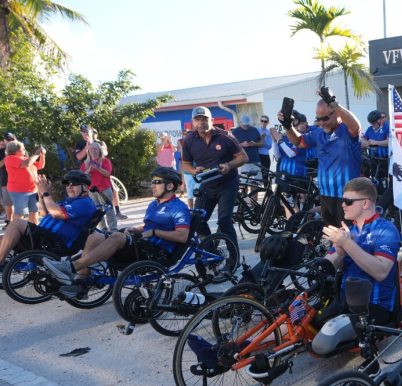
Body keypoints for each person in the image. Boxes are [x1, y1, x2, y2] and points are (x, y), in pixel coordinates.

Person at [43, 167, 190, 298]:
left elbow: (182, 236)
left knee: (117, 237)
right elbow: (148, 226)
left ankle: (72, 267)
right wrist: (137, 228)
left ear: (170, 186)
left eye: (157, 182)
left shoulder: (179, 208)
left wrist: (155, 232)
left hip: (157, 252)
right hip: (143, 244)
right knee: (95, 236)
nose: (152, 185)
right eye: (152, 182)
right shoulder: (154, 204)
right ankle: (81, 282)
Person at [309, 177, 401, 368]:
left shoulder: (386, 230)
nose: (342, 205)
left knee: (321, 344)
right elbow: (330, 262)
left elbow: (381, 272)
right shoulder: (348, 230)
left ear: (366, 203)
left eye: (348, 201)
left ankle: (370, 361)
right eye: (343, 200)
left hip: (373, 305)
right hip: (345, 300)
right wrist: (334, 255)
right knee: (306, 325)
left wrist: (347, 244)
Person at [277, 87, 362, 227]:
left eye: (325, 118)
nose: (321, 123)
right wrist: (288, 127)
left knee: (348, 239)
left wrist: (334, 103)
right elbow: (298, 142)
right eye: (318, 119)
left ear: (337, 114)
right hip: (326, 195)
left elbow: (355, 126)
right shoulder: (319, 133)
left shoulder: (346, 131)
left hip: (347, 197)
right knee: (333, 237)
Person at [0, 170, 96, 269]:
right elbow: (44, 213)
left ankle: (0, 262)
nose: (69, 187)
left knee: (16, 223)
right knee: (3, 239)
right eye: (67, 184)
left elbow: (57, 214)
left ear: (85, 187)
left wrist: (46, 193)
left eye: (74, 184)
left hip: (57, 242)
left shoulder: (85, 203)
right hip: (45, 238)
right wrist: (41, 194)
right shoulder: (70, 201)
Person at [180, 106, 248, 246]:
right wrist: (194, 170)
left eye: (204, 119)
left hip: (228, 184)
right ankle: (211, 254)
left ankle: (233, 256)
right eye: (197, 119)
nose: (201, 122)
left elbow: (243, 157)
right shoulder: (188, 140)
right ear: (192, 122)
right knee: (197, 220)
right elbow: (185, 164)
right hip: (207, 185)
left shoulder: (225, 136)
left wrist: (229, 165)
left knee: (224, 221)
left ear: (212, 120)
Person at [80, 141, 118, 231]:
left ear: (99, 150)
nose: (93, 151)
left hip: (104, 189)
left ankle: (113, 230)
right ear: (88, 151)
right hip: (92, 191)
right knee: (98, 212)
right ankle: (103, 230)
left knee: (109, 210)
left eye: (95, 149)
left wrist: (98, 167)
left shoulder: (105, 161)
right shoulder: (85, 163)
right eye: (91, 149)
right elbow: (81, 177)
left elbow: (108, 174)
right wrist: (88, 170)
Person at [4, 140, 45, 224]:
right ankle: (17, 232)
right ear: (16, 151)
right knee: (20, 213)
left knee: (34, 211)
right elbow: (26, 164)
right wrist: (37, 153)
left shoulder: (25, 159)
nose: (24, 150)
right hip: (19, 190)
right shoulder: (10, 159)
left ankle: (34, 231)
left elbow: (40, 166)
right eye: (23, 148)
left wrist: (42, 155)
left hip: (32, 189)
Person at [178, 129, 198, 209]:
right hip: (188, 173)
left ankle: (198, 208)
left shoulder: (199, 145)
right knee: (190, 192)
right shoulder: (185, 145)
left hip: (198, 172)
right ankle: (192, 209)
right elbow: (184, 160)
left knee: (199, 191)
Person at [0, 133, 16, 222]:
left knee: (17, 204)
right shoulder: (2, 151)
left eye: (11, 139)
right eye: (8, 139)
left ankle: (15, 222)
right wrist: (7, 156)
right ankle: (9, 221)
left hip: (18, 180)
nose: (10, 141)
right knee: (8, 203)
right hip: (5, 181)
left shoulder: (20, 149)